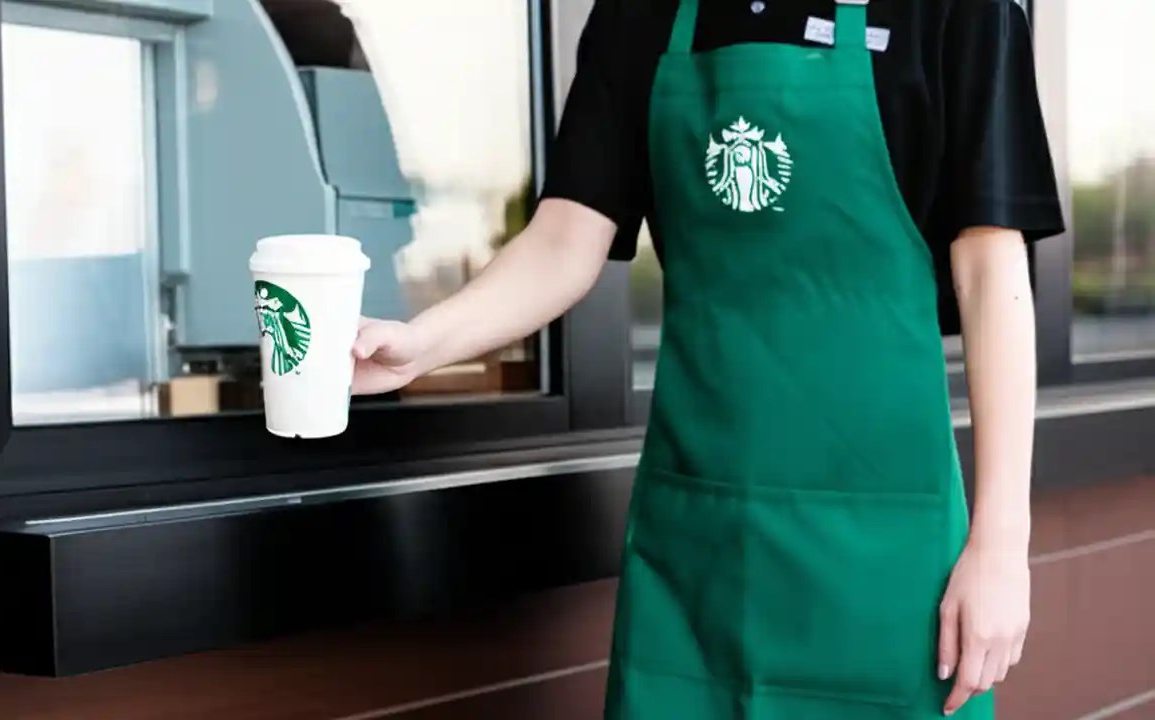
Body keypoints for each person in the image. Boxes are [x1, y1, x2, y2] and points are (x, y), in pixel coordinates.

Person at [351, 0, 1064, 716]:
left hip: (892, 563)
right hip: (695, 558)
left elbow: (991, 280)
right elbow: (565, 240)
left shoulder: (961, 13)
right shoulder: (645, 14)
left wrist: (1001, 548)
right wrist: (420, 348)